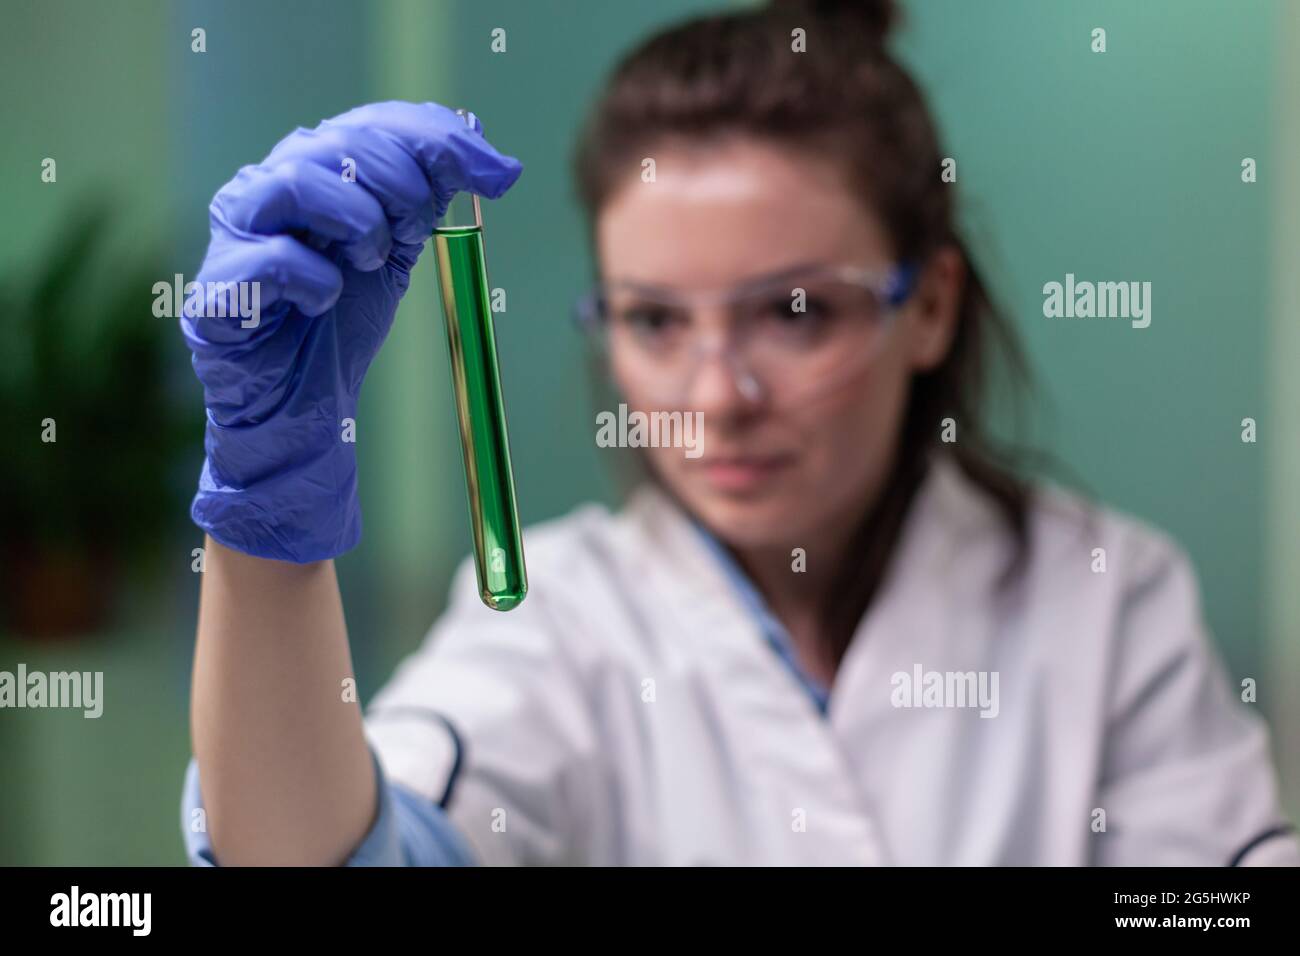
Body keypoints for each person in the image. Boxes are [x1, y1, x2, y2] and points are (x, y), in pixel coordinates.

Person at [177, 0, 1297, 866]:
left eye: (797, 310)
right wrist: (268, 524)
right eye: (655, 318)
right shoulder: (558, 610)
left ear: (931, 305)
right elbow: (313, 855)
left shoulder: (1105, 598)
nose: (716, 394)